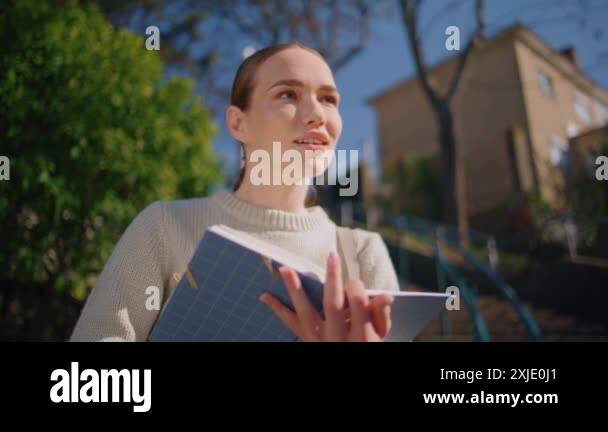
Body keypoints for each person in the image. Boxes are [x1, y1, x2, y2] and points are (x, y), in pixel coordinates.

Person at [70, 42, 400, 342]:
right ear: (238, 123)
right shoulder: (165, 226)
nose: (317, 115)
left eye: (328, 99)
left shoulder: (363, 255)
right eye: (287, 94)